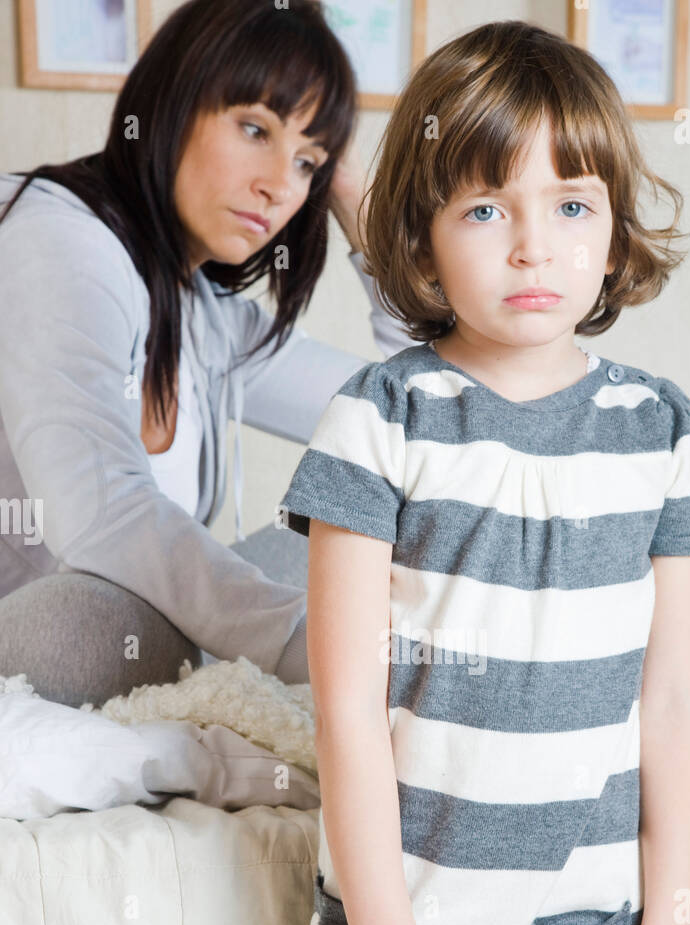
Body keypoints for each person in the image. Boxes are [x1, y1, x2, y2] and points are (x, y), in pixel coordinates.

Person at [262, 18, 690, 925]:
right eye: (484, 208)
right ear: (420, 232)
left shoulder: (662, 432)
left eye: (568, 203)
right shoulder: (381, 421)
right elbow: (348, 711)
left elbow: (681, 704)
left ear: (612, 225)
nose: (533, 243)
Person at [0, 0, 415, 708]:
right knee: (94, 621)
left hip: (140, 638)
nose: (280, 185)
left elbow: (418, 415)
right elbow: (102, 514)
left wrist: (357, 200)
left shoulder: (205, 317)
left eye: (308, 161)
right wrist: (308, 644)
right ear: (173, 101)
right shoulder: (54, 241)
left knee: (334, 558)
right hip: (44, 634)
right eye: (255, 129)